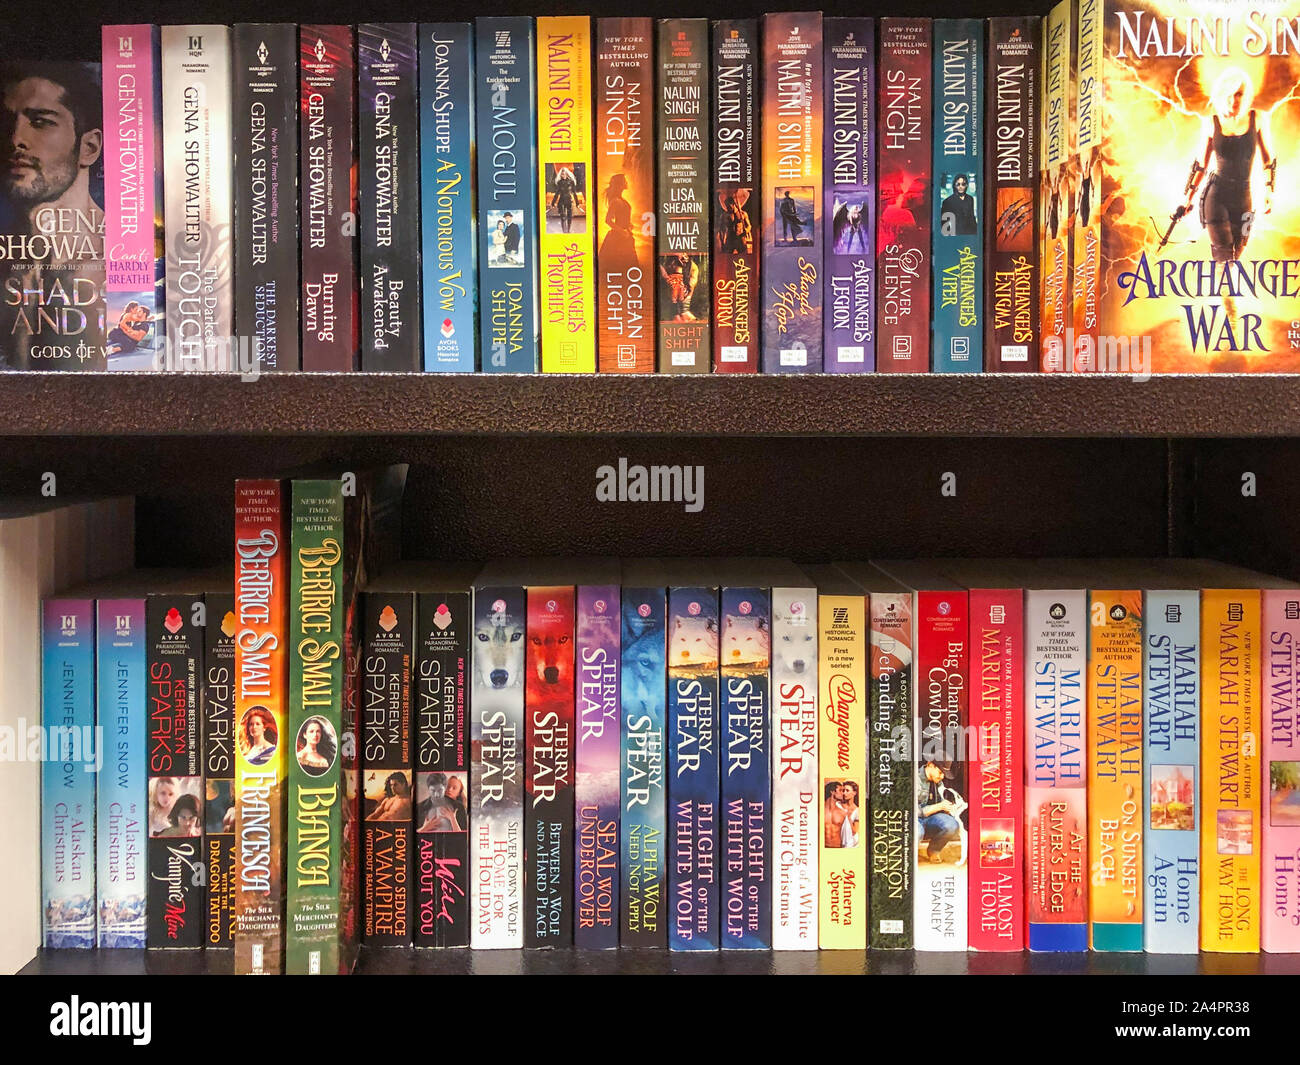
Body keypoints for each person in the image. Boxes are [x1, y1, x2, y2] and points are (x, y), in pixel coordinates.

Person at [0, 61, 104, 367]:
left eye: (41, 122)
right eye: (5, 123)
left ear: (89, 147)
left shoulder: (126, 263)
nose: (15, 139)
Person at [1183, 67, 1275, 267]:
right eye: (1229, 94)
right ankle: (1226, 298)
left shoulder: (1257, 118)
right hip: (1216, 197)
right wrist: (1187, 198)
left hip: (1245, 198)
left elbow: (1268, 160)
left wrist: (1269, 192)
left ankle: (1223, 295)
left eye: (1239, 94)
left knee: (1237, 253)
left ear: (1246, 95)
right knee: (1224, 258)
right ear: (1221, 95)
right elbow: (1200, 164)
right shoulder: (1211, 122)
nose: (1234, 100)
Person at [917, 760, 963, 863]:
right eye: (940, 772)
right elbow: (910, 810)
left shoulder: (937, 781)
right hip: (912, 819)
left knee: (952, 825)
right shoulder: (913, 778)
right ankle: (908, 856)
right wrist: (939, 806)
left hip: (930, 818)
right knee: (918, 832)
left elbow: (941, 801)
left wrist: (948, 808)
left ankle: (934, 850)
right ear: (930, 765)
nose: (942, 777)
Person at [599, 173, 638, 274]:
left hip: (625, 235)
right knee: (621, 267)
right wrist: (622, 231)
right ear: (620, 184)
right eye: (624, 181)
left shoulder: (620, 200)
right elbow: (608, 220)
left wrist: (629, 224)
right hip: (619, 237)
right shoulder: (616, 201)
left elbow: (623, 217)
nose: (626, 182)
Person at [551, 167, 577, 233]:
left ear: (567, 174)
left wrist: (577, 203)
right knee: (562, 217)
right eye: (562, 174)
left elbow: (574, 193)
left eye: (564, 174)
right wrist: (553, 203)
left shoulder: (571, 182)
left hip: (569, 200)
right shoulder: (559, 182)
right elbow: (557, 193)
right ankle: (564, 231)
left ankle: (568, 230)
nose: (563, 175)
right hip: (561, 201)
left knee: (569, 216)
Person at [823, 780, 847, 848]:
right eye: (840, 790)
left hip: (837, 847)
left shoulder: (843, 813)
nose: (843, 793)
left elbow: (849, 837)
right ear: (832, 792)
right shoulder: (818, 811)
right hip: (822, 849)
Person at [840, 780, 860, 848]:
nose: (844, 793)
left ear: (854, 793)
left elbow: (855, 833)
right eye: (843, 790)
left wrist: (848, 818)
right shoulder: (838, 805)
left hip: (851, 845)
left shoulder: (857, 811)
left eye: (847, 790)